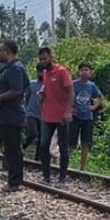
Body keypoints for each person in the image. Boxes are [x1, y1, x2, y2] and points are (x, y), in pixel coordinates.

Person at [0, 39, 30, 191]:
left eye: (0, 51)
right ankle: (14, 180)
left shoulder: (15, 69)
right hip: (7, 115)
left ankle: (15, 182)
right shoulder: (11, 68)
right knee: (10, 148)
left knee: (13, 148)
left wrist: (0, 97)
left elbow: (17, 90)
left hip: (12, 116)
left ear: (8, 51)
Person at [36, 46, 74, 184]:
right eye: (41, 59)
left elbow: (71, 91)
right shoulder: (45, 73)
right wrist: (42, 96)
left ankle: (62, 178)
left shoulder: (61, 71)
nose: (42, 61)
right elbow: (46, 90)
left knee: (63, 146)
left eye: (45, 58)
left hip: (61, 115)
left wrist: (68, 111)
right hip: (47, 115)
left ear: (51, 57)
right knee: (44, 144)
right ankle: (46, 176)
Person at [69, 61, 104, 171]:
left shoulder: (91, 85)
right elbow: (67, 96)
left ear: (90, 72)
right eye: (82, 70)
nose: (84, 72)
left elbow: (100, 97)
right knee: (71, 143)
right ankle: (66, 164)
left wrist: (94, 107)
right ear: (78, 72)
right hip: (75, 116)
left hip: (87, 117)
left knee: (85, 143)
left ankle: (82, 168)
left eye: (86, 70)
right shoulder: (73, 84)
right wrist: (70, 108)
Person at [24, 63, 45, 159]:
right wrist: (26, 110)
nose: (41, 74)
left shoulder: (48, 85)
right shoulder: (31, 84)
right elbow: (27, 97)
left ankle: (38, 158)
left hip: (43, 114)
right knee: (33, 134)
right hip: (31, 113)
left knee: (42, 138)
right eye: (40, 72)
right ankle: (24, 145)